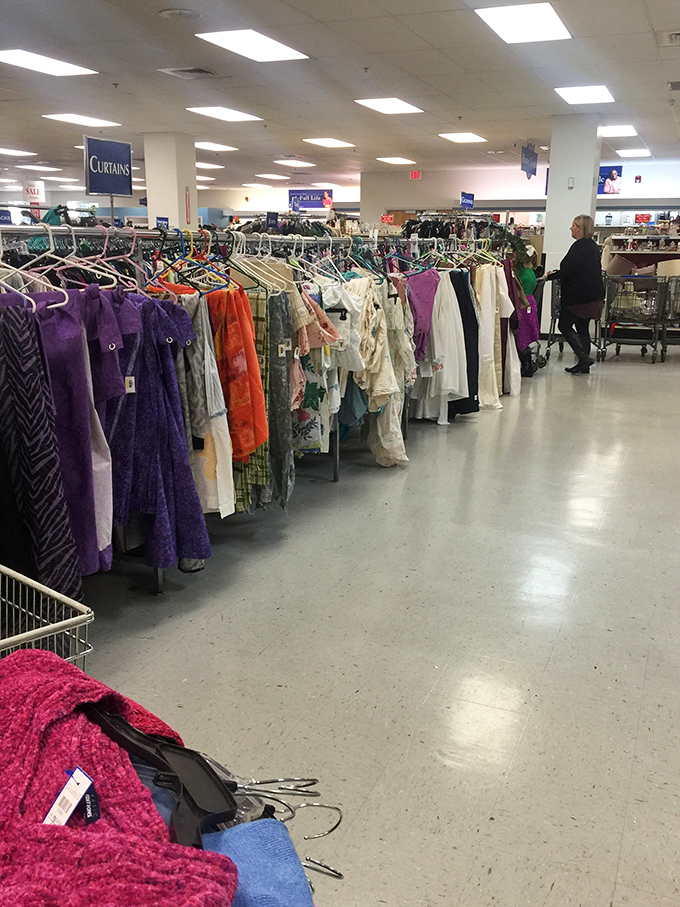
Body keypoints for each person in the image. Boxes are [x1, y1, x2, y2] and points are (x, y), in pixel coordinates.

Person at [545, 214, 604, 374]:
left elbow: (569, 270)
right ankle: (583, 365)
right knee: (582, 327)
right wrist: (558, 273)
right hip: (593, 296)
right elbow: (579, 270)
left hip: (578, 297)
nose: (571, 228)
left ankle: (583, 358)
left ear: (581, 228)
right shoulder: (591, 246)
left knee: (564, 325)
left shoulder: (580, 246)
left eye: (573, 225)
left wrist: (550, 276)